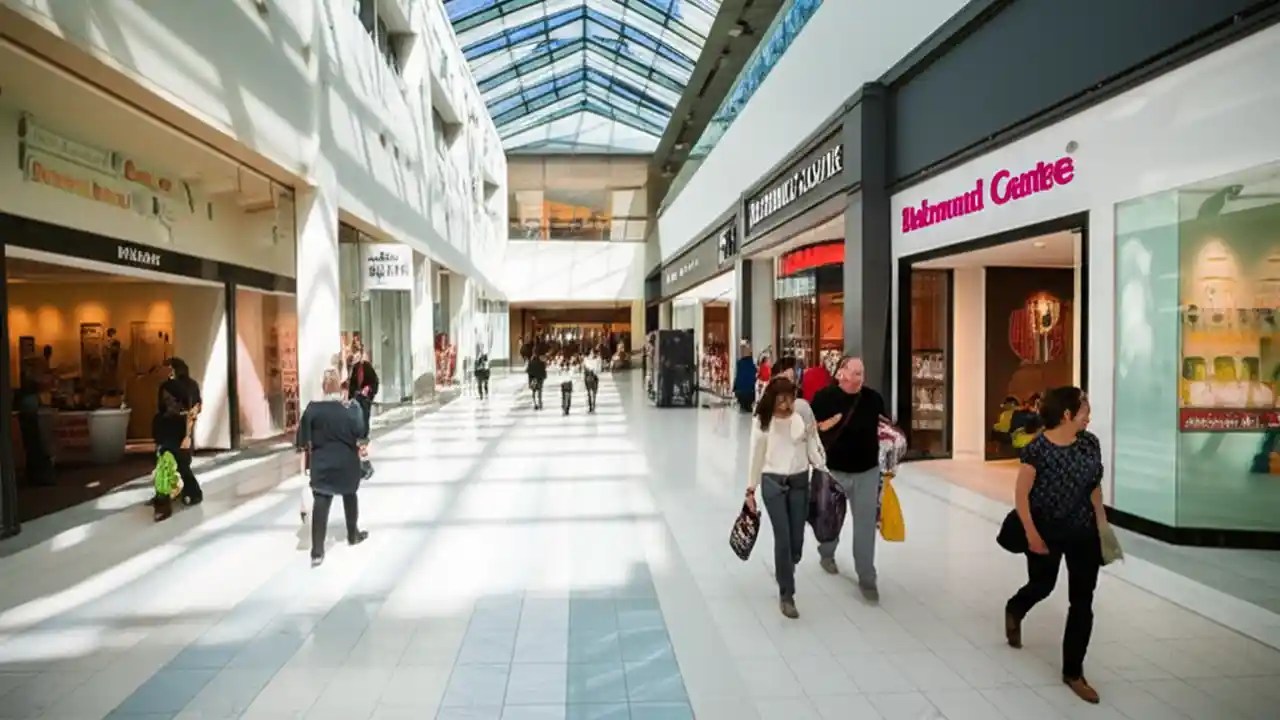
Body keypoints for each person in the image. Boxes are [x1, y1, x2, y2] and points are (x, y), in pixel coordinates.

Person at [1005, 386, 1106, 704]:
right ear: (1067, 414)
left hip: (1083, 532)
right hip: (1045, 529)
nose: (1088, 414)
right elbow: (1021, 496)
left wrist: (1102, 525)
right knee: (1042, 585)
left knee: (1082, 601)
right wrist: (1032, 535)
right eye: (1084, 409)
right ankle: (1015, 608)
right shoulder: (1038, 449)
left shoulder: (1090, 444)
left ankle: (1073, 672)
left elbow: (1093, 487)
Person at [745, 377, 827, 619]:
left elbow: (812, 448)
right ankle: (787, 594)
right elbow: (755, 456)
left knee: (796, 541)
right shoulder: (762, 423)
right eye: (781, 398)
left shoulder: (799, 420)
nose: (787, 404)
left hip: (800, 482)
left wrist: (823, 470)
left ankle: (791, 559)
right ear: (772, 398)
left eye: (791, 398)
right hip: (773, 483)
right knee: (783, 537)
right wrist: (750, 489)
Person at [810, 356, 886, 597]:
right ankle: (827, 552)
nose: (858, 378)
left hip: (867, 471)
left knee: (865, 524)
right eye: (853, 373)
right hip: (835, 470)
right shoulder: (824, 398)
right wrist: (825, 428)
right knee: (831, 518)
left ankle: (867, 576)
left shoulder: (873, 399)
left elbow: (883, 430)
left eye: (861, 373)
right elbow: (810, 432)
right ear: (840, 373)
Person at [297, 368, 370, 568]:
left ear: (323, 386)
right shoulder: (351, 409)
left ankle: (317, 552)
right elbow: (361, 433)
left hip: (322, 465)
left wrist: (304, 468)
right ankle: (353, 534)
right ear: (340, 387)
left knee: (321, 502)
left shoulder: (312, 410)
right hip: (347, 464)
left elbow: (302, 441)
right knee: (350, 495)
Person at [153, 357, 203, 514]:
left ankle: (192, 492)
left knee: (181, 463)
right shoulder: (167, 388)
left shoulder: (186, 386)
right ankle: (164, 493)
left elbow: (195, 406)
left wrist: (188, 430)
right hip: (171, 428)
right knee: (167, 463)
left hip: (181, 427)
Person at [346, 350, 379, 436]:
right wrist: (351, 396)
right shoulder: (355, 368)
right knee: (357, 414)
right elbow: (352, 384)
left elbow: (374, 381)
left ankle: (364, 433)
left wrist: (368, 388)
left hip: (366, 396)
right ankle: (359, 432)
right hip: (357, 395)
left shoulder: (367, 367)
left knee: (365, 414)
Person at [732, 346, 757, 413]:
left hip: (741, 392)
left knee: (743, 410)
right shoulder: (753, 363)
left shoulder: (740, 363)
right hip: (749, 392)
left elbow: (738, 377)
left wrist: (735, 388)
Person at [583, 347, 603, 413]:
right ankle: (590, 406)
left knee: (594, 392)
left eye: (593, 352)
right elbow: (585, 368)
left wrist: (595, 371)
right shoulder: (586, 359)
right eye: (591, 352)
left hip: (594, 377)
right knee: (589, 392)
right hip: (588, 377)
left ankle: (593, 405)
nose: (592, 354)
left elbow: (599, 369)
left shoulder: (598, 359)